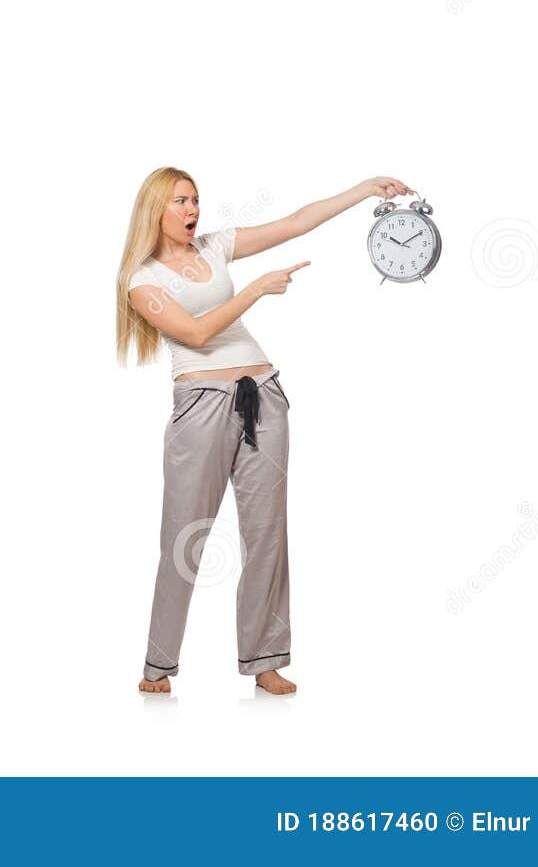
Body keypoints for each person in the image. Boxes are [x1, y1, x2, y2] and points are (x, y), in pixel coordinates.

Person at [118, 167, 414, 695]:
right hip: (201, 405)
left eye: (195, 199)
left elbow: (296, 221)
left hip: (263, 396)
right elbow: (196, 333)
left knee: (267, 534)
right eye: (180, 201)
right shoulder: (143, 280)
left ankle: (266, 660)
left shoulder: (214, 246)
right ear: (155, 208)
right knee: (185, 538)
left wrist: (365, 190)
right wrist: (256, 289)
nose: (192, 210)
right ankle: (158, 664)